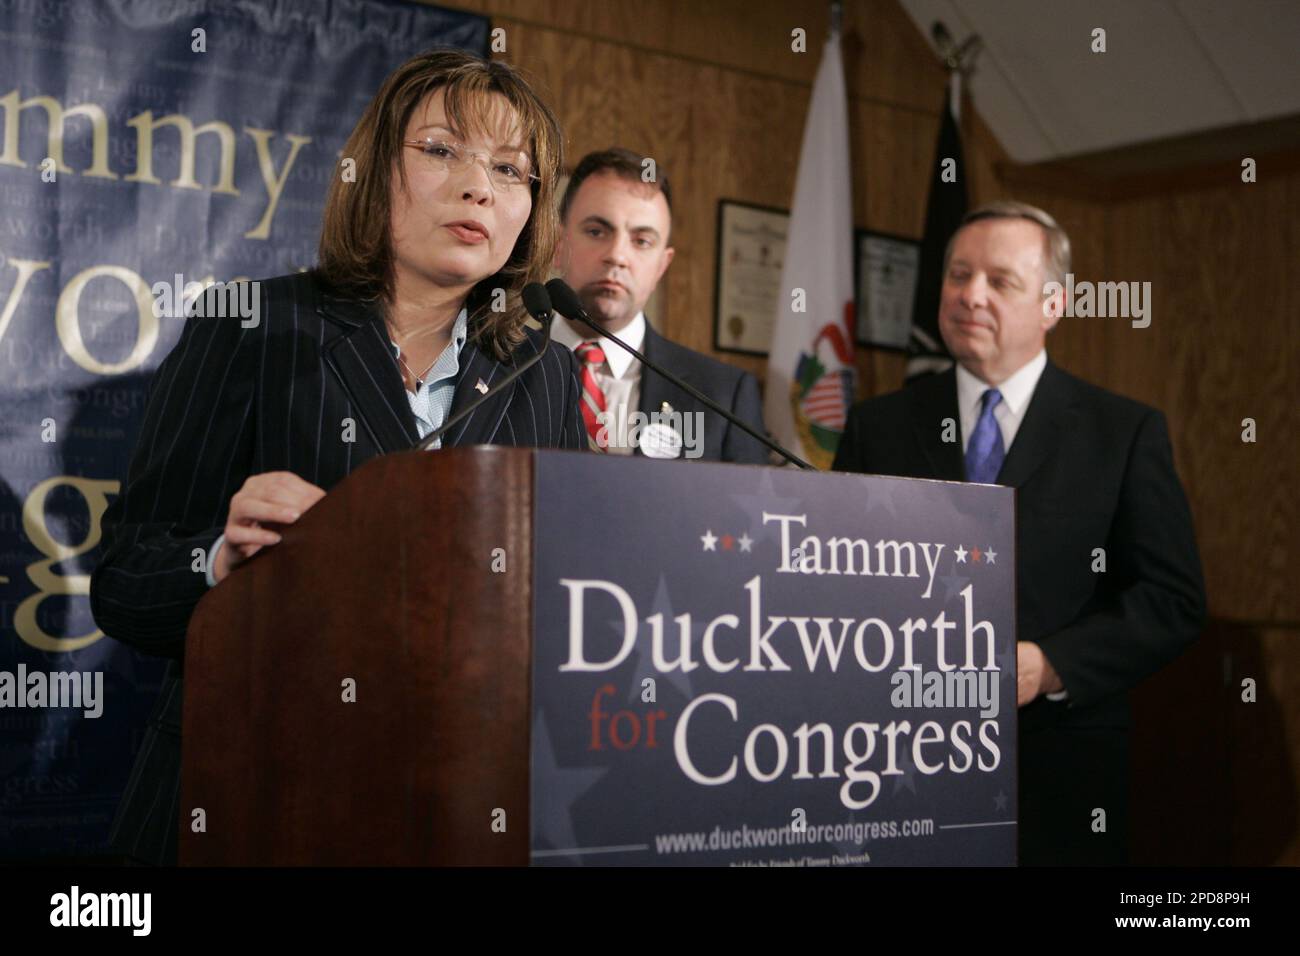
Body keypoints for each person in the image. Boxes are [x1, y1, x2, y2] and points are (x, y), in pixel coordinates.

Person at [89, 49, 586, 866]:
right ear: (371, 171)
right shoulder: (252, 326)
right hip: (255, 797)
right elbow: (123, 582)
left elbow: (566, 609)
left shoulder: (544, 372)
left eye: (511, 170)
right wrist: (217, 560)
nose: (479, 188)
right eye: (440, 151)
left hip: (455, 813)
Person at [832, 200, 1206, 865]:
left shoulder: (1121, 434)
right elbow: (828, 584)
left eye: (1000, 281)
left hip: (1057, 777)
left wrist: (1052, 665)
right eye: (958, 275)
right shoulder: (878, 426)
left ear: (1054, 305)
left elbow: (1171, 602)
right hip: (893, 771)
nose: (970, 295)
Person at [552, 148, 768, 463]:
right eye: (597, 232)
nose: (617, 256)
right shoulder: (495, 370)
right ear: (558, 246)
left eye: (641, 241)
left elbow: (746, 510)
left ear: (661, 268)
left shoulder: (723, 396)